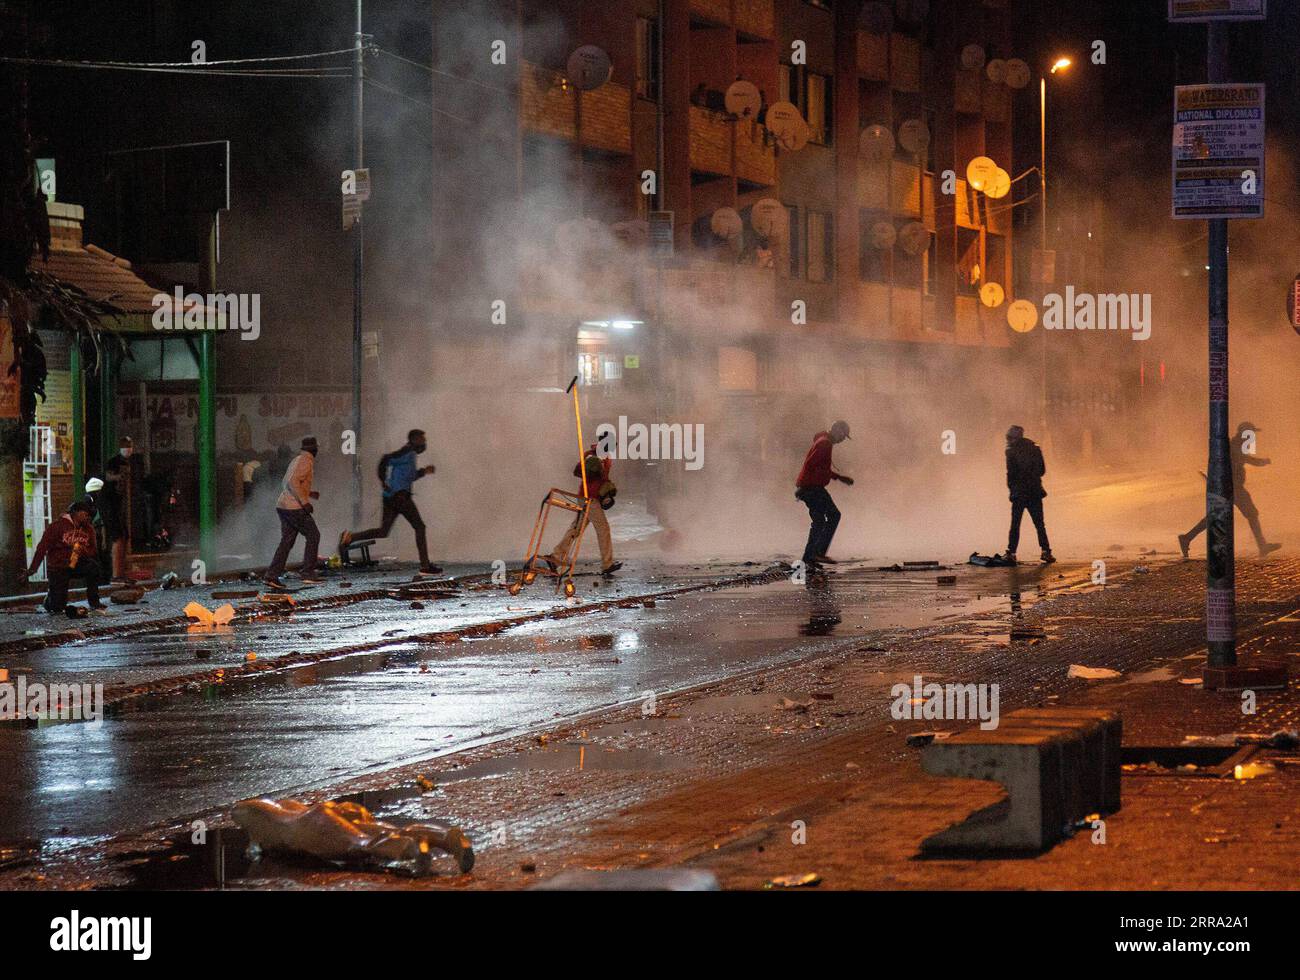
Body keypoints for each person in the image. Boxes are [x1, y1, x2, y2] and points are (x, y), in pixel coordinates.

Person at [338, 429, 443, 575]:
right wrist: (382, 480)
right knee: (419, 527)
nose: (424, 442)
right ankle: (425, 566)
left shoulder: (409, 454)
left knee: (383, 531)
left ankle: (350, 537)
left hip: (390, 497)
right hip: (400, 497)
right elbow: (386, 459)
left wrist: (424, 472)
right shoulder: (407, 452)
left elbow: (409, 476)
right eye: (422, 439)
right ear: (414, 439)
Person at [1179, 421, 1281, 559]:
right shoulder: (1234, 446)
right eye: (1251, 434)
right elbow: (1245, 459)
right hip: (1232, 487)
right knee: (1251, 514)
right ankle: (1262, 545)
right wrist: (1264, 461)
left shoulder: (1236, 445)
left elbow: (1245, 459)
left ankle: (1187, 538)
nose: (1253, 437)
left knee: (1217, 516)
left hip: (1229, 486)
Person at [22, 501, 109, 617]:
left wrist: (83, 551)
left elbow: (93, 550)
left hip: (77, 564)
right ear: (75, 513)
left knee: (93, 567)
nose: (88, 517)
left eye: (89, 515)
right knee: (57, 608)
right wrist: (32, 569)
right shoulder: (57, 527)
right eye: (85, 514)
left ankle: (94, 602)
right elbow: (42, 548)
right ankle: (50, 600)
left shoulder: (88, 529)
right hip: (58, 567)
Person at [547, 443, 621, 575]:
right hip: (590, 499)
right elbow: (588, 475)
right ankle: (607, 564)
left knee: (576, 528)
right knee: (603, 529)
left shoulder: (596, 456)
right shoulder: (595, 457)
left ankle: (555, 558)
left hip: (586, 498)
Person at [264, 436, 323, 589]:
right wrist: (305, 502)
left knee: (286, 542)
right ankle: (308, 573)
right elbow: (292, 482)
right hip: (294, 507)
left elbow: (287, 481)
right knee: (313, 535)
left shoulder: (296, 459)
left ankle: (272, 575)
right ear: (313, 449)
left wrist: (309, 493)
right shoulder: (306, 460)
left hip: (283, 505)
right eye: (316, 448)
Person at [795, 421, 854, 572]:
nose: (842, 440)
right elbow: (812, 465)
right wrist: (838, 477)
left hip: (809, 487)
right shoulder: (825, 443)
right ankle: (818, 553)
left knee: (819, 521)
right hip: (813, 488)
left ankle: (809, 558)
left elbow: (818, 467)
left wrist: (837, 477)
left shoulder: (824, 442)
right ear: (836, 430)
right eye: (842, 435)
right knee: (833, 515)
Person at [1003, 425, 1055, 565]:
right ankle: (1046, 551)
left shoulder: (1010, 451)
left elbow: (1010, 474)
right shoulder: (1035, 448)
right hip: (1034, 491)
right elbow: (1042, 470)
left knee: (1015, 524)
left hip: (1019, 493)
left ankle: (1011, 553)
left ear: (1012, 438)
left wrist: (1012, 489)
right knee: (1039, 524)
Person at [101, 436, 133, 582]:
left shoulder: (127, 462)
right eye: (126, 445)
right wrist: (119, 477)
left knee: (123, 537)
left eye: (130, 446)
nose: (128, 448)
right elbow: (108, 476)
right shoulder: (114, 462)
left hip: (118, 504)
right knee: (118, 538)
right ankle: (116, 574)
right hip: (111, 503)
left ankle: (120, 572)